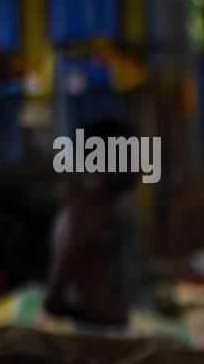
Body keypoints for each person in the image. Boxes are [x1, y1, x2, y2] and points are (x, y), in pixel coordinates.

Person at [44, 118, 145, 327]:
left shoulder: (119, 212)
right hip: (105, 339)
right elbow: (55, 300)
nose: (139, 163)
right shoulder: (82, 219)